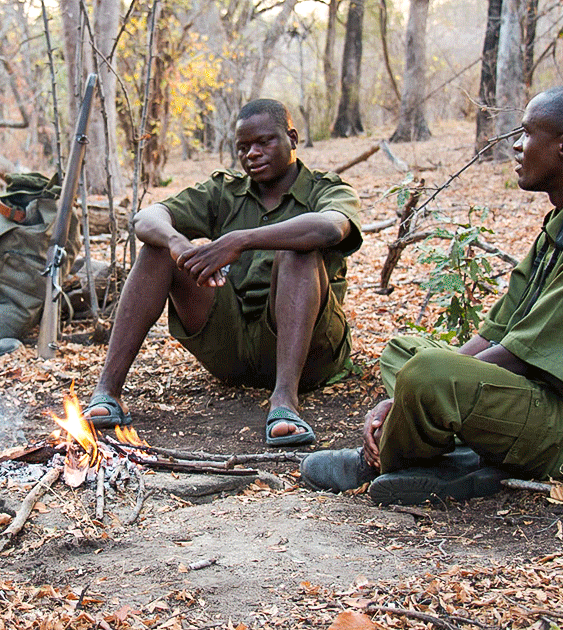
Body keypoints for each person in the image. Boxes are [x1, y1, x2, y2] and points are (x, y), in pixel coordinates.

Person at [300, 85, 563, 505]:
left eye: (527, 134)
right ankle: (460, 461)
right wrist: (406, 392)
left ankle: (374, 462)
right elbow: (496, 332)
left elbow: (522, 356)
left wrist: (420, 388)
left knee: (426, 374)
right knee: (405, 352)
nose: (517, 146)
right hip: (542, 399)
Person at [83, 99, 363, 446]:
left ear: (292, 138)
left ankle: (285, 402)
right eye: (243, 147)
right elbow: (145, 218)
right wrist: (177, 243)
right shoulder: (224, 192)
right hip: (231, 346)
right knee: (157, 251)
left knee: (298, 250)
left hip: (310, 356)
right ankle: (107, 392)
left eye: (265, 142)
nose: (252, 154)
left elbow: (330, 229)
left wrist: (240, 240)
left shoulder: (326, 189)